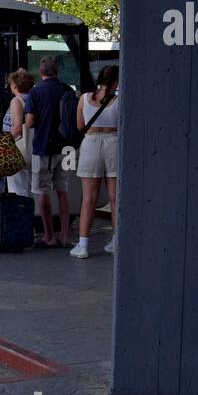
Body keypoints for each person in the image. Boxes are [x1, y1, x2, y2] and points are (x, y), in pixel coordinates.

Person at [24, 55, 74, 248]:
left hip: (42, 146)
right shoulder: (67, 90)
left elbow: (30, 122)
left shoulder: (35, 92)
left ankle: (48, 235)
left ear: (41, 72)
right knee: (63, 190)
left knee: (41, 191)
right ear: (57, 72)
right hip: (65, 148)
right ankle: (64, 235)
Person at [71, 65, 119, 258]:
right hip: (114, 143)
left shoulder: (84, 98)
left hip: (90, 143)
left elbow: (80, 126)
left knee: (89, 198)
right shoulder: (119, 101)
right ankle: (116, 242)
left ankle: (83, 246)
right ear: (116, 81)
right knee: (115, 198)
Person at [2, 69, 35, 198]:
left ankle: (22, 217)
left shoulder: (17, 101)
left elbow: (17, 128)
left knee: (18, 190)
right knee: (30, 188)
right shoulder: (34, 98)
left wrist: (3, 144)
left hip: (18, 151)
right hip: (33, 149)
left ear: (15, 85)